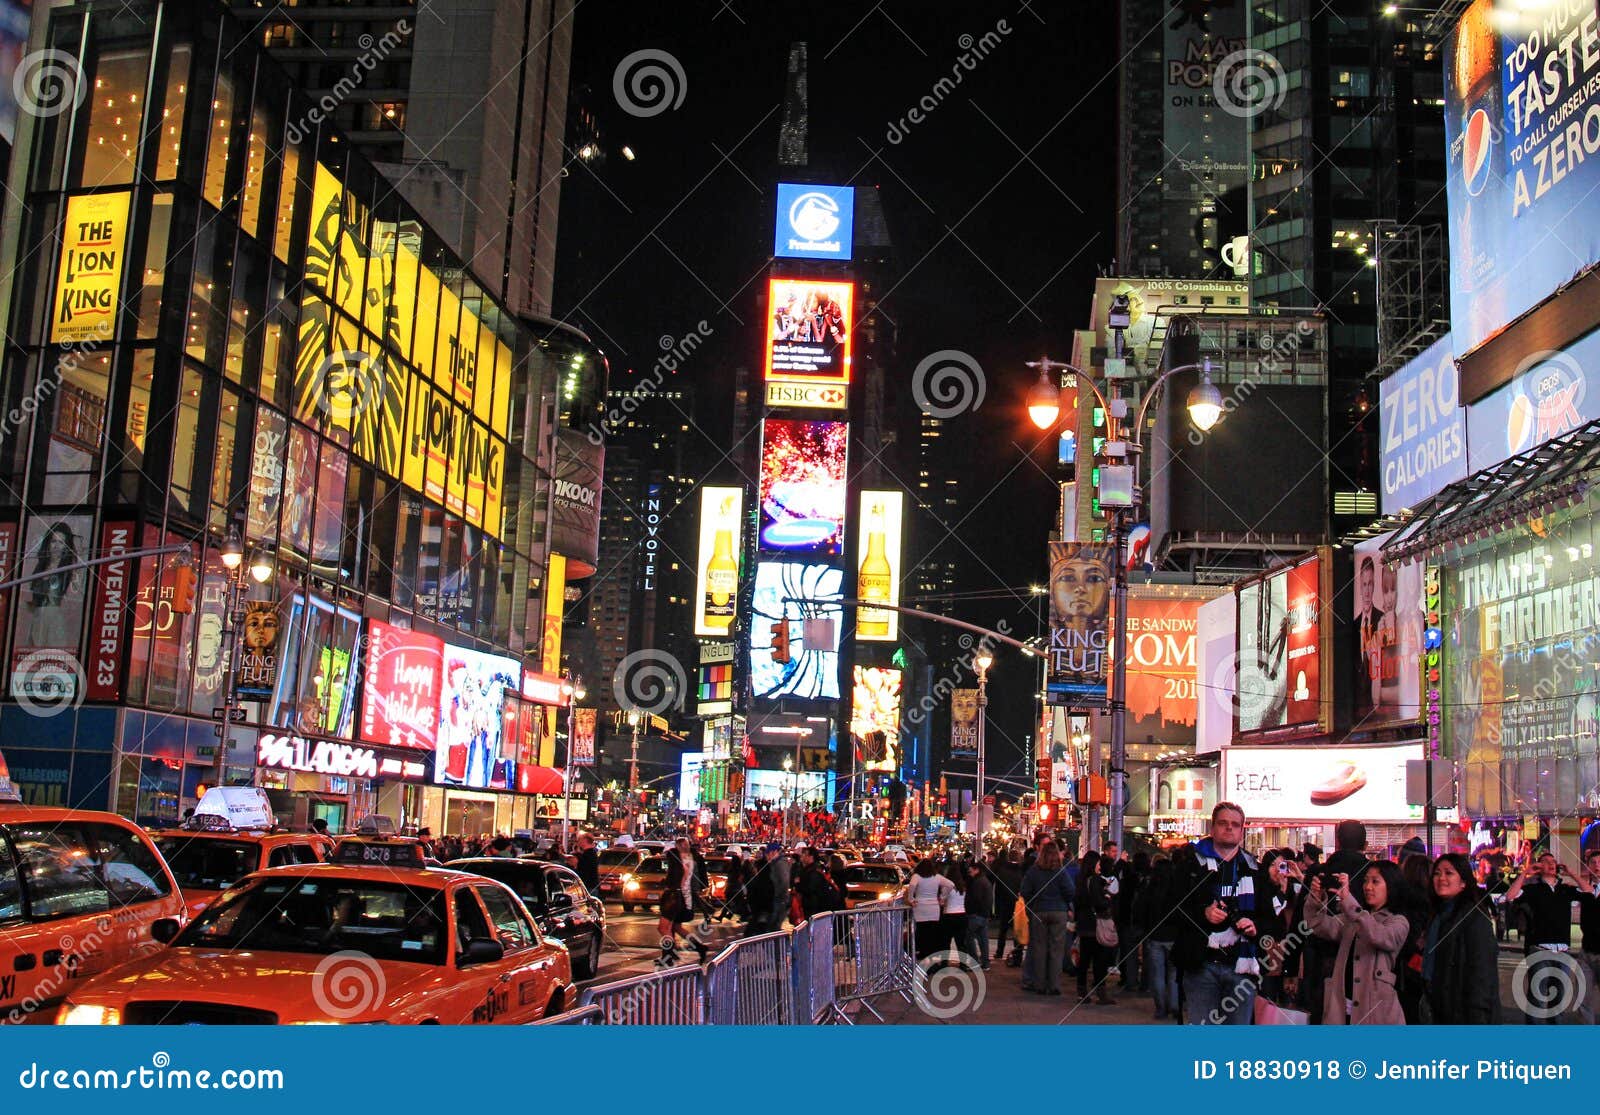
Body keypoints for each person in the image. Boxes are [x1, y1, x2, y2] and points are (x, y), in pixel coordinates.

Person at [1176, 802, 1260, 1025]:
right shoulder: (1189, 864)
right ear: (1212, 828)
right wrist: (1202, 913)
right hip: (1201, 964)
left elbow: (1268, 917)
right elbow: (1170, 909)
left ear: (1242, 831)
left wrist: (1255, 926)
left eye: (1235, 825)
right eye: (1223, 823)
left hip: (1242, 967)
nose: (1229, 828)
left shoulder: (1253, 867)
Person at [1303, 859, 1410, 1025]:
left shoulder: (1398, 921)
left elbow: (1379, 936)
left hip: (1378, 1014)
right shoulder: (1354, 919)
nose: (1368, 887)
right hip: (1342, 1009)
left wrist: (1349, 902)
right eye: (1366, 880)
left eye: (1375, 882)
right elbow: (1317, 924)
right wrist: (1316, 898)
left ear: (1391, 885)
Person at [1503, 850, 1585, 1023]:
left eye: (1553, 861)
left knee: (1559, 1000)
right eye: (1545, 861)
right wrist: (1525, 873)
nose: (1550, 864)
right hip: (1540, 949)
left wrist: (1571, 873)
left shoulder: (1565, 889)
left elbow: (1589, 891)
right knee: (1538, 999)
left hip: (1562, 950)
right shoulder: (1533, 889)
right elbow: (1510, 896)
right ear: (1539, 867)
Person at [1302, 819, 1370, 1023]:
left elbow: (1301, 918)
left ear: (1338, 842)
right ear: (1365, 845)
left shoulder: (1319, 872)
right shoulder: (1373, 874)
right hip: (1360, 957)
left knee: (1322, 1012)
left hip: (1319, 955)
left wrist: (1290, 965)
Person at [1423, 853, 1501, 1024]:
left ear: (1463, 882)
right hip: (1441, 1008)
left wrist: (1478, 1017)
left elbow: (1482, 973)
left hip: (1466, 1013)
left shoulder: (1473, 916)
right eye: (1436, 873)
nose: (1441, 878)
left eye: (1448, 873)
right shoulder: (1438, 915)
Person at [1019, 841, 1074, 996]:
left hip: (1039, 911)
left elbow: (1025, 891)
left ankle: (1040, 984)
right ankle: (1054, 985)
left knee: (1039, 948)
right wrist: (1064, 902)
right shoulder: (1061, 871)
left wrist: (1032, 904)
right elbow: (1070, 891)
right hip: (1058, 911)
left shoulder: (1034, 871)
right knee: (1056, 950)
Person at [1139, 856, 1182, 1021]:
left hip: (1155, 936)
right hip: (1173, 936)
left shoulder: (1150, 889)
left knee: (1157, 974)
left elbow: (1141, 910)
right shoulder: (1176, 891)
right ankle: (1174, 1006)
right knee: (1174, 973)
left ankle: (1160, 1008)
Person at [658, 837, 710, 966]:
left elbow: (683, 873)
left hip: (675, 896)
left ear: (678, 846)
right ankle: (699, 947)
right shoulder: (691, 858)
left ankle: (668, 956)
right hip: (684, 897)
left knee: (663, 927)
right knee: (676, 927)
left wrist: (674, 887)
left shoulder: (677, 859)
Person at [1074, 851, 1116, 1005]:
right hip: (1096, 924)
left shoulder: (1080, 880)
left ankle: (1081, 992)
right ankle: (1101, 992)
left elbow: (1078, 901)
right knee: (1100, 960)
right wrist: (1107, 900)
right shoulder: (1096, 880)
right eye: (1098, 863)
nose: (1100, 866)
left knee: (1084, 960)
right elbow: (1099, 902)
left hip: (1084, 923)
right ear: (1093, 864)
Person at [906, 858, 955, 960]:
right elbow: (951, 884)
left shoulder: (917, 876)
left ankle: (923, 952)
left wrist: (911, 898)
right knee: (932, 933)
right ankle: (931, 955)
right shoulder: (937, 877)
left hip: (920, 906)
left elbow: (912, 885)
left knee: (921, 931)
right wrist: (942, 897)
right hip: (934, 907)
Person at [1576, 847, 1600, 1024]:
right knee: (1583, 999)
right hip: (1586, 952)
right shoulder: (1585, 890)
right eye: (1593, 863)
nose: (1597, 866)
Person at [990, 850, 1023, 966]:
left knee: (1003, 929)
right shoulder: (1021, 871)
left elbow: (998, 890)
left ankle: (999, 952)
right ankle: (1017, 955)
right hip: (1018, 904)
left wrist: (997, 906)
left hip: (1005, 903)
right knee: (1017, 930)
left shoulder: (1002, 872)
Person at [964, 860, 994, 970]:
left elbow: (975, 899)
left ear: (977, 869)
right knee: (983, 940)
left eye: (971, 868)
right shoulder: (985, 881)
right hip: (984, 914)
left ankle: (974, 962)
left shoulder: (977, 882)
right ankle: (985, 963)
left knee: (969, 938)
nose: (969, 870)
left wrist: (970, 911)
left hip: (976, 915)